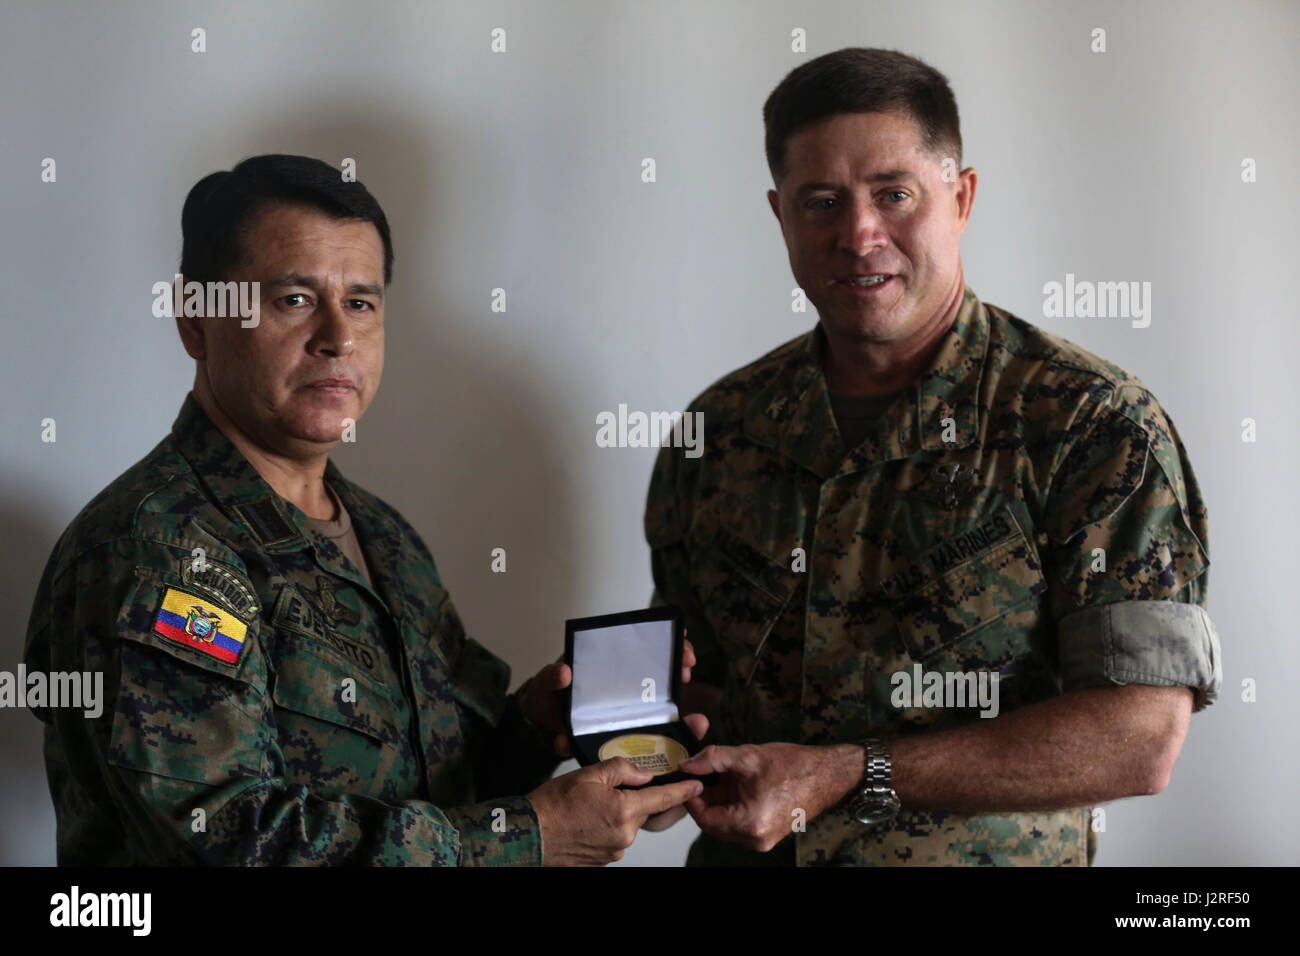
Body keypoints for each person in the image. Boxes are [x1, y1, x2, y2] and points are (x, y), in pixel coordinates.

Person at [23, 154, 703, 866]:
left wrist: (545, 725)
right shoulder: (156, 546)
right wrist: (529, 836)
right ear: (195, 319)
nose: (338, 338)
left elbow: (440, 779)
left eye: (361, 302)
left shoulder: (384, 536)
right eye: (293, 300)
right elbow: (228, 840)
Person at [644, 48, 1221, 866]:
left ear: (962, 197)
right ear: (780, 216)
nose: (859, 234)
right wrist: (634, 739)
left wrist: (853, 772)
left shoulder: (1089, 423)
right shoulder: (719, 429)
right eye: (821, 202)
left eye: (894, 194)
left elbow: (1138, 737)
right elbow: (697, 684)